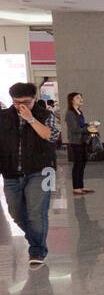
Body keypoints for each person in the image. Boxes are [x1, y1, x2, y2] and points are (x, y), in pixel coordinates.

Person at [0, 82, 56, 267]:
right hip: (11, 173)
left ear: (34, 99)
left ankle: (37, 250)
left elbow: (50, 135)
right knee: (15, 213)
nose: (21, 106)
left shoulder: (46, 115)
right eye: (17, 103)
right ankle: (36, 239)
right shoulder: (4, 117)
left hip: (41, 171)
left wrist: (31, 119)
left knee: (36, 213)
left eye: (26, 102)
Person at [64, 92, 94, 195]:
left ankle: (81, 186)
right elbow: (74, 129)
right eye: (77, 98)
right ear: (71, 100)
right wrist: (87, 129)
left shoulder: (79, 112)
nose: (81, 99)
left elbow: (81, 125)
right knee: (78, 163)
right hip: (75, 141)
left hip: (82, 140)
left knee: (82, 162)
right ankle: (76, 187)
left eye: (81, 97)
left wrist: (89, 125)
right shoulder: (70, 113)